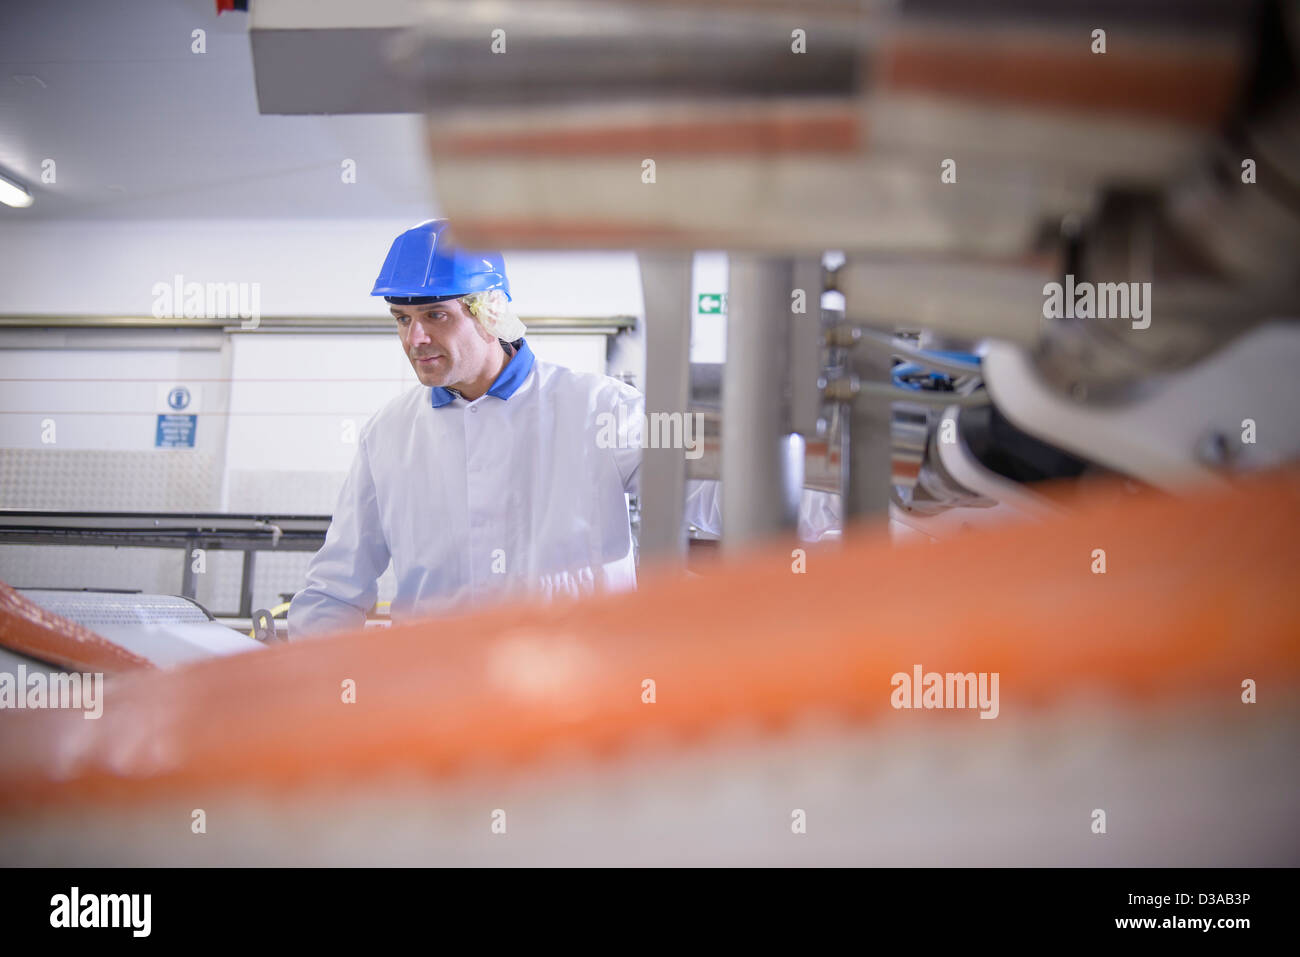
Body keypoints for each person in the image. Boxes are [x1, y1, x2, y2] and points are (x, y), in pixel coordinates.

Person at [289, 219, 696, 638]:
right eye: (402, 319)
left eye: (435, 315)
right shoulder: (388, 433)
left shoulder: (600, 409)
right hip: (442, 689)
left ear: (492, 313)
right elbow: (334, 590)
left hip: (583, 688)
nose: (415, 339)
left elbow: (723, 501)